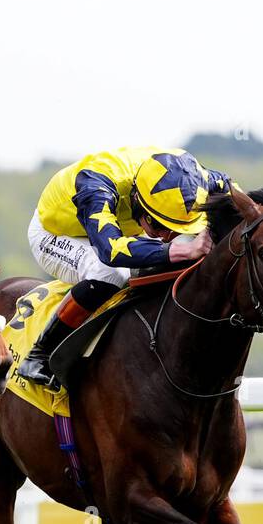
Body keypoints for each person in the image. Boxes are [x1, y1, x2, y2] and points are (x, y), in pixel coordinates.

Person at [17, 147, 233, 389]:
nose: (167, 237)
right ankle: (40, 355)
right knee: (111, 273)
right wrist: (184, 249)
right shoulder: (96, 185)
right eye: (162, 228)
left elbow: (237, 196)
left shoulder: (194, 178)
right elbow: (110, 251)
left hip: (114, 227)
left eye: (175, 231)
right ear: (137, 203)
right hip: (57, 233)